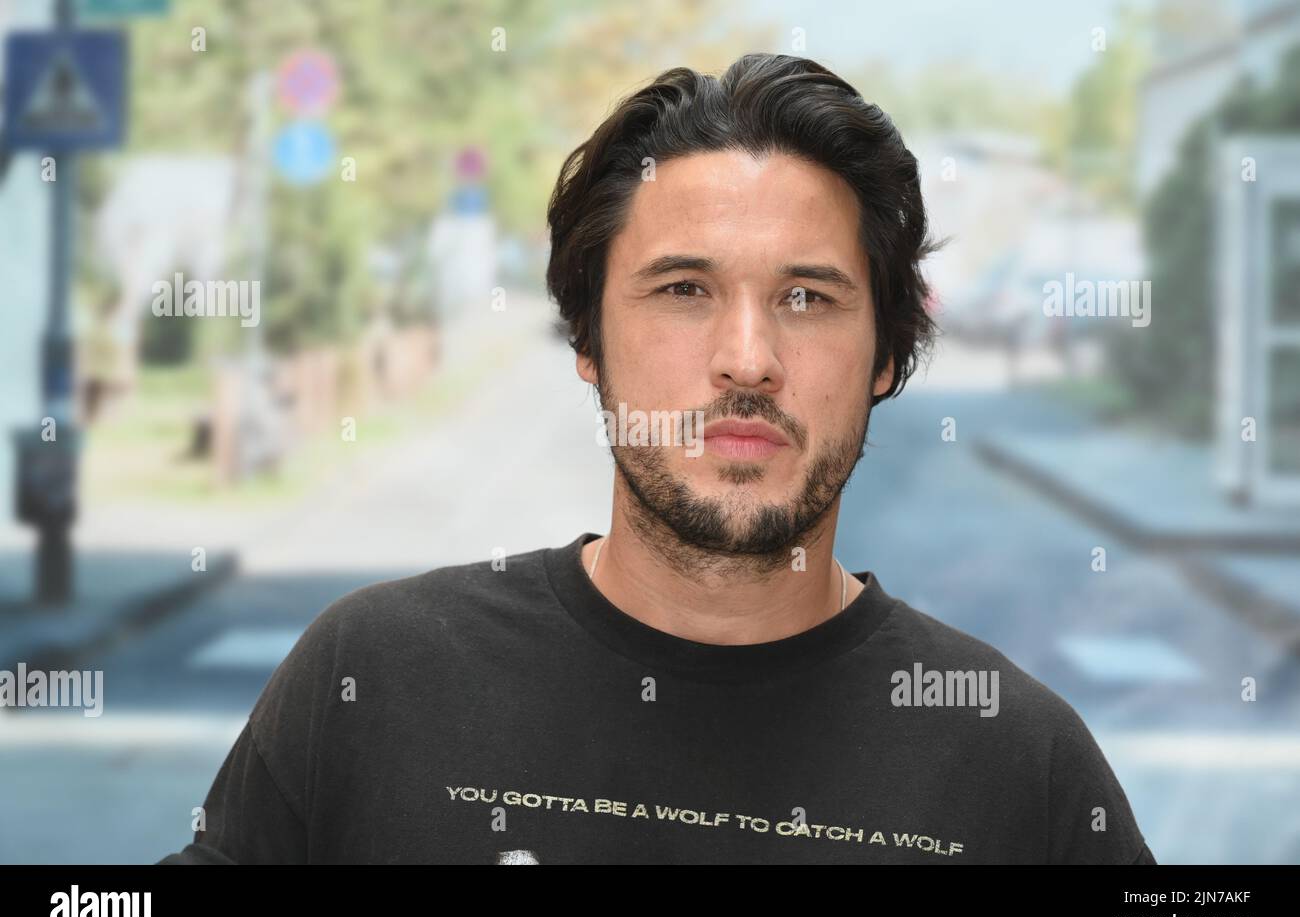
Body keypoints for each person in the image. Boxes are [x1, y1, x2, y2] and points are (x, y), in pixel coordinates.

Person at [159, 53, 1155, 865]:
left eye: (807, 297)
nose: (748, 360)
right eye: (683, 289)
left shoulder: (1021, 766)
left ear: (886, 356)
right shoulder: (372, 678)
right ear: (587, 339)